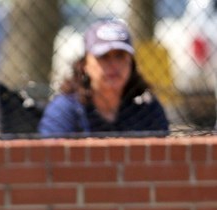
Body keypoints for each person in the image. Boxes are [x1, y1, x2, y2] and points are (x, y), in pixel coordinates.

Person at [38, 18, 169, 136]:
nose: (113, 65)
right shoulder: (65, 110)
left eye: (120, 56)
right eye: (103, 56)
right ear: (84, 65)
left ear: (131, 63)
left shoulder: (147, 109)